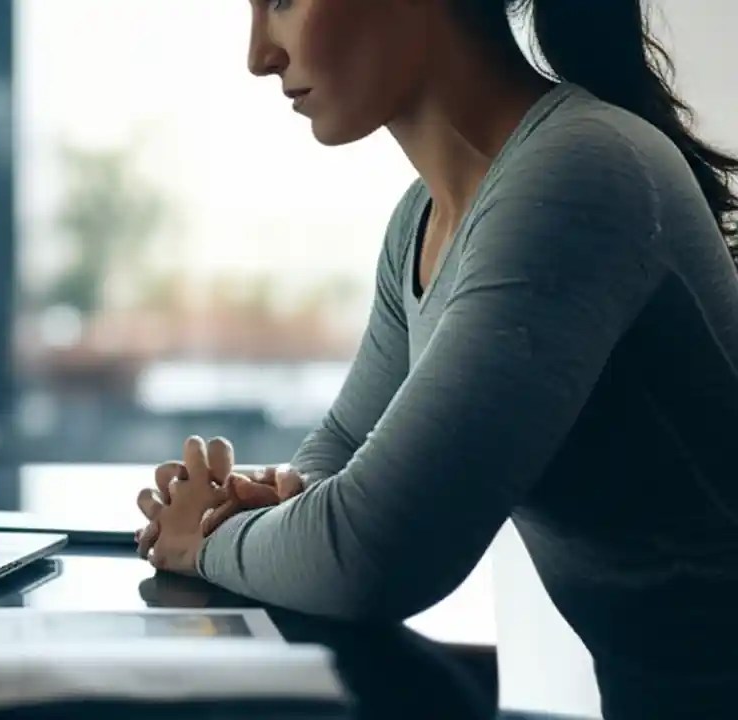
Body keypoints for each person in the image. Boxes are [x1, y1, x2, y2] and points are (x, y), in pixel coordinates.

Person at [133, 1, 738, 717]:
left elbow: (372, 557)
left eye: (285, 2)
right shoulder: (423, 220)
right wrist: (269, 513)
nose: (260, 54)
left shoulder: (581, 172)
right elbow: (337, 452)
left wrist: (200, 540)